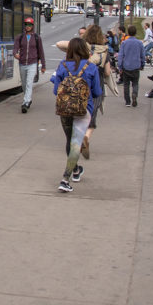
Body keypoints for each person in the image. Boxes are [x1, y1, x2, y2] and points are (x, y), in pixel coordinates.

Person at [51, 37, 103, 193]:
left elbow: (55, 90)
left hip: (64, 110)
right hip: (83, 110)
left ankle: (75, 170)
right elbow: (97, 92)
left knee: (70, 141)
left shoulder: (62, 66)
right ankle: (65, 179)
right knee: (76, 143)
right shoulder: (91, 67)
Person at [80, 24, 117, 159]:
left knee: (79, 113)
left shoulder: (82, 49)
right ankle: (86, 137)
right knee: (92, 115)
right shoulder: (104, 51)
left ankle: (77, 138)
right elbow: (107, 71)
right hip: (97, 87)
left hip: (81, 85)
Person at [13, 15, 45, 113]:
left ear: (32, 26)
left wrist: (43, 65)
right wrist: (15, 54)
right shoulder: (20, 37)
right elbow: (15, 48)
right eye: (26, 24)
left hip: (32, 63)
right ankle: (28, 98)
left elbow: (41, 51)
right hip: (22, 63)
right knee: (23, 83)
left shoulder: (36, 38)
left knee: (29, 83)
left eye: (29, 25)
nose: (27, 26)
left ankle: (25, 103)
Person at [118, 24, 143, 107]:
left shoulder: (124, 43)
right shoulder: (139, 43)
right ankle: (134, 94)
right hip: (136, 66)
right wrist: (142, 64)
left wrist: (120, 66)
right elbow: (142, 55)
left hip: (126, 66)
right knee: (135, 83)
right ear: (135, 33)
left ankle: (127, 101)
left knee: (126, 84)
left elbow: (121, 55)